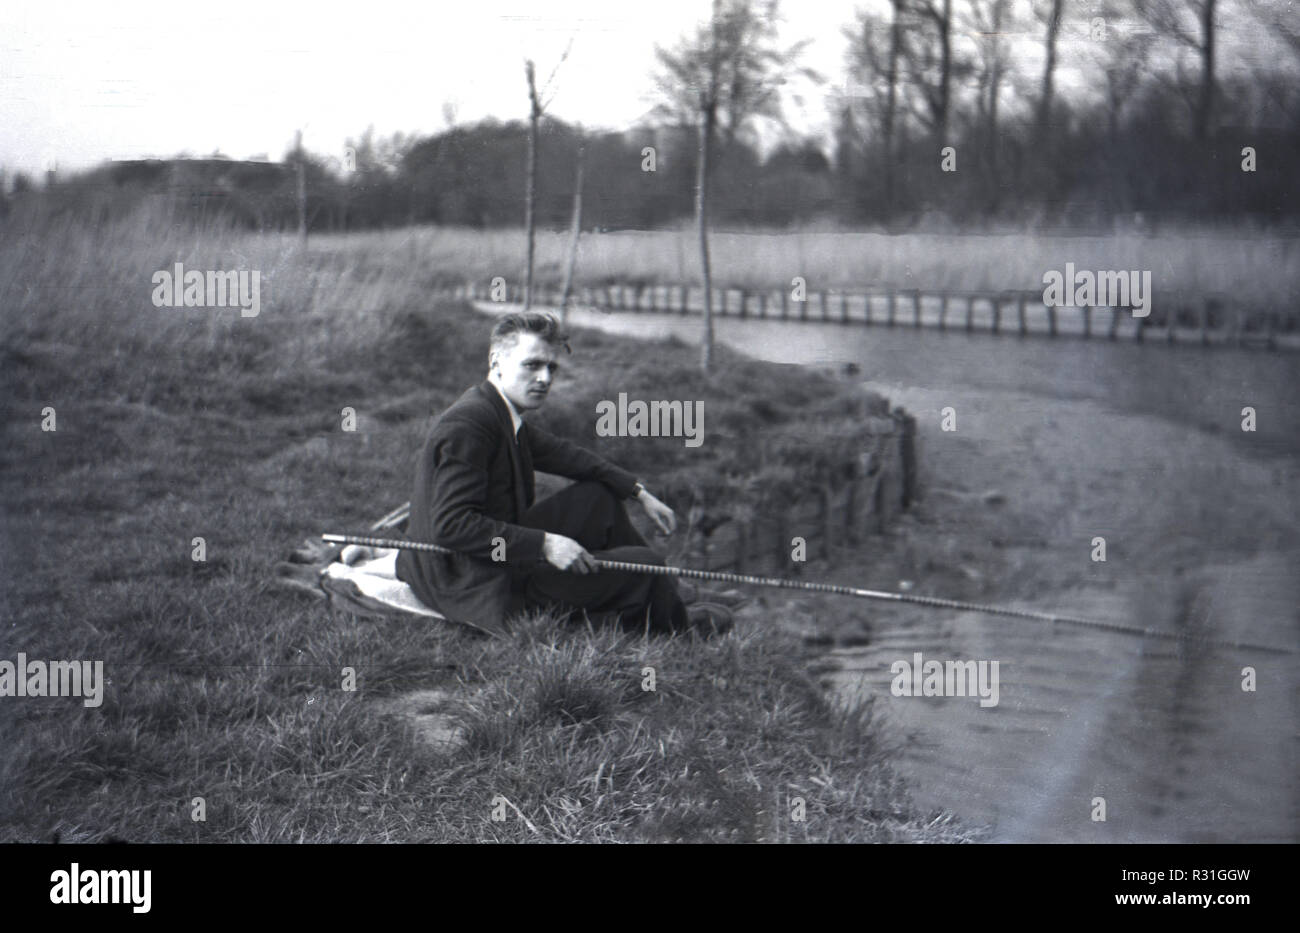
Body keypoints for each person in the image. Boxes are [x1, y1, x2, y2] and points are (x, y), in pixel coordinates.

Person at [395, 311, 732, 638]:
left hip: (482, 559)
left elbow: (565, 455)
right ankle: (677, 625)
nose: (545, 378)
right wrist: (545, 544)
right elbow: (451, 526)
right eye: (532, 365)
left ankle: (664, 588)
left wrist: (637, 491)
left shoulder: (496, 410)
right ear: (496, 359)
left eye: (551, 367)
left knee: (597, 499)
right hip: (469, 582)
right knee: (643, 562)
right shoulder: (469, 425)